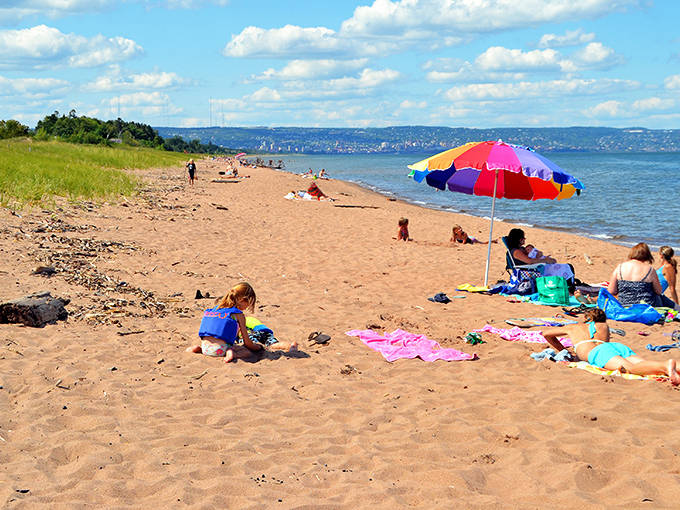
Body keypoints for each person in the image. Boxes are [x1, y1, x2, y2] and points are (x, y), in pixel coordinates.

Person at [541, 308, 680, 384]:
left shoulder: (574, 327)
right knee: (643, 364)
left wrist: (563, 350)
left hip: (598, 352)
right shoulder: (604, 326)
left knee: (631, 369)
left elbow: (547, 334)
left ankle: (666, 365)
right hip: (615, 346)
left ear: (585, 318)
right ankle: (673, 367)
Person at [186, 282, 296, 362]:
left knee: (212, 345)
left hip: (205, 348)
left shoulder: (216, 309)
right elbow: (248, 343)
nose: (248, 307)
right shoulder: (238, 315)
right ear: (243, 300)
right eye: (249, 303)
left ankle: (197, 349)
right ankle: (231, 354)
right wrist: (258, 348)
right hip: (221, 350)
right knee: (247, 351)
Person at [608, 243, 678, 309]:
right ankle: (677, 308)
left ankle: (677, 307)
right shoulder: (650, 269)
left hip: (623, 304)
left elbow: (611, 291)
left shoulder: (619, 267)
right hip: (646, 304)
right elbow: (659, 291)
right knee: (661, 298)